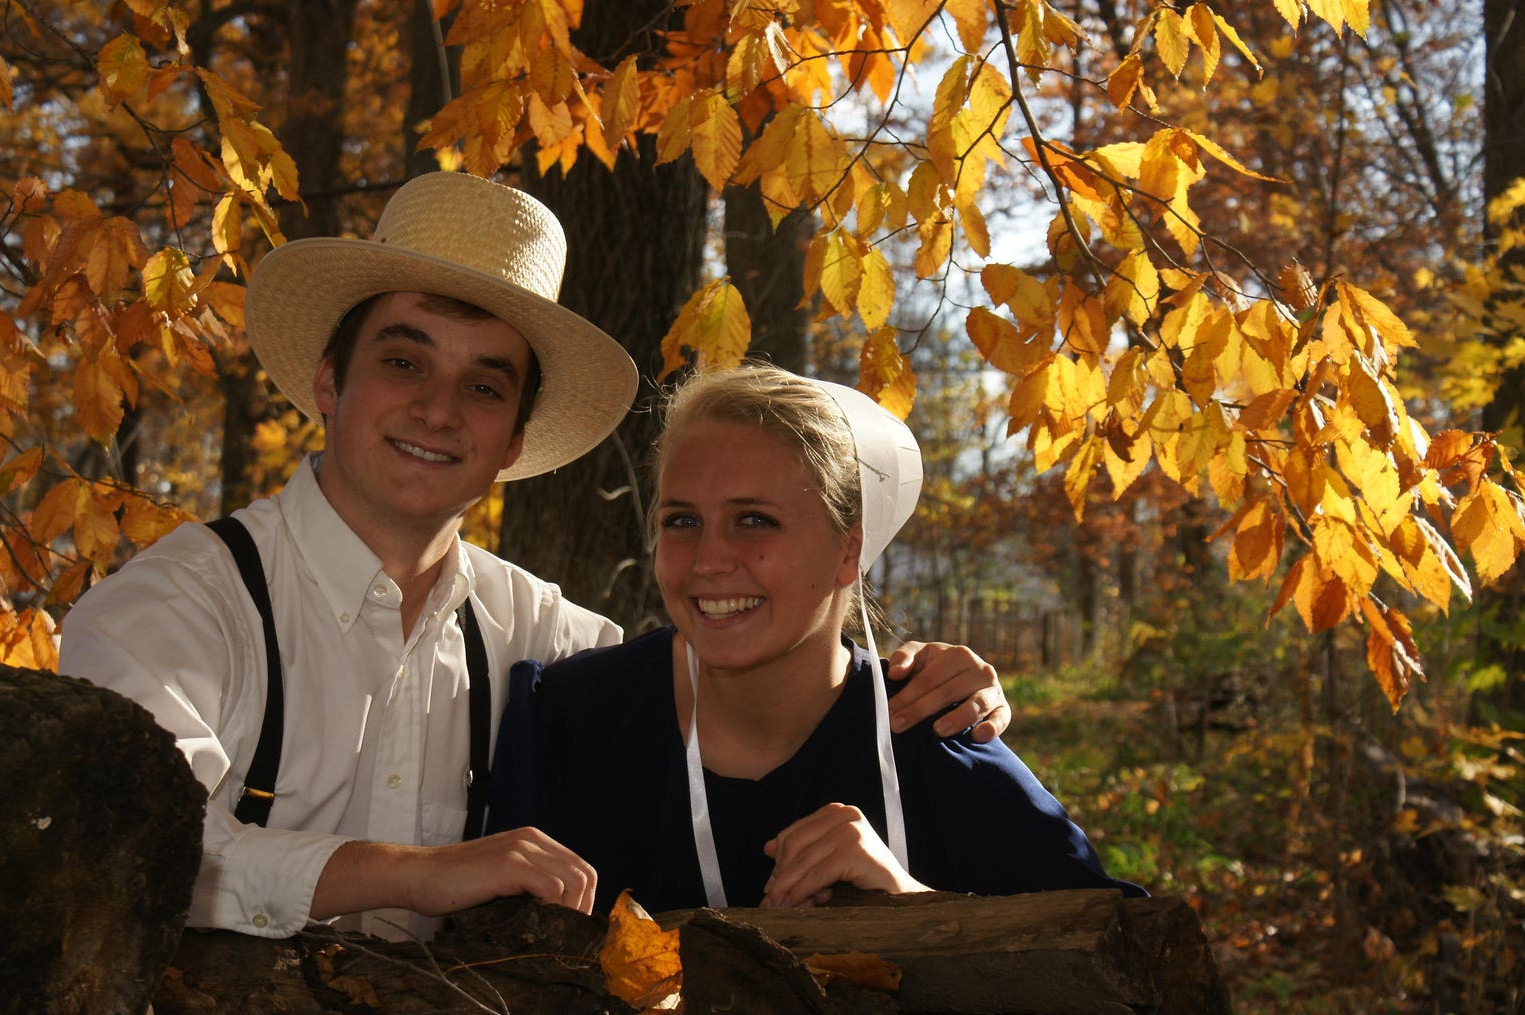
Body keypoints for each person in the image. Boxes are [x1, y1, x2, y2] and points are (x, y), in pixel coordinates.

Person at [57, 171, 1010, 942]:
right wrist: (414, 873)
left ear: (514, 438)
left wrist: (925, 681)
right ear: (329, 381)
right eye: (403, 360)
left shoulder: (550, 640)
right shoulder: (177, 610)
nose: (438, 408)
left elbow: (738, 670)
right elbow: (121, 851)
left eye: (484, 384)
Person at [489, 363, 1145, 914]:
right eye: (683, 520)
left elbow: (1129, 970)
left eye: (754, 520)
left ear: (848, 551)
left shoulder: (930, 735)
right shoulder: (575, 725)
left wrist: (910, 904)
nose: (709, 560)